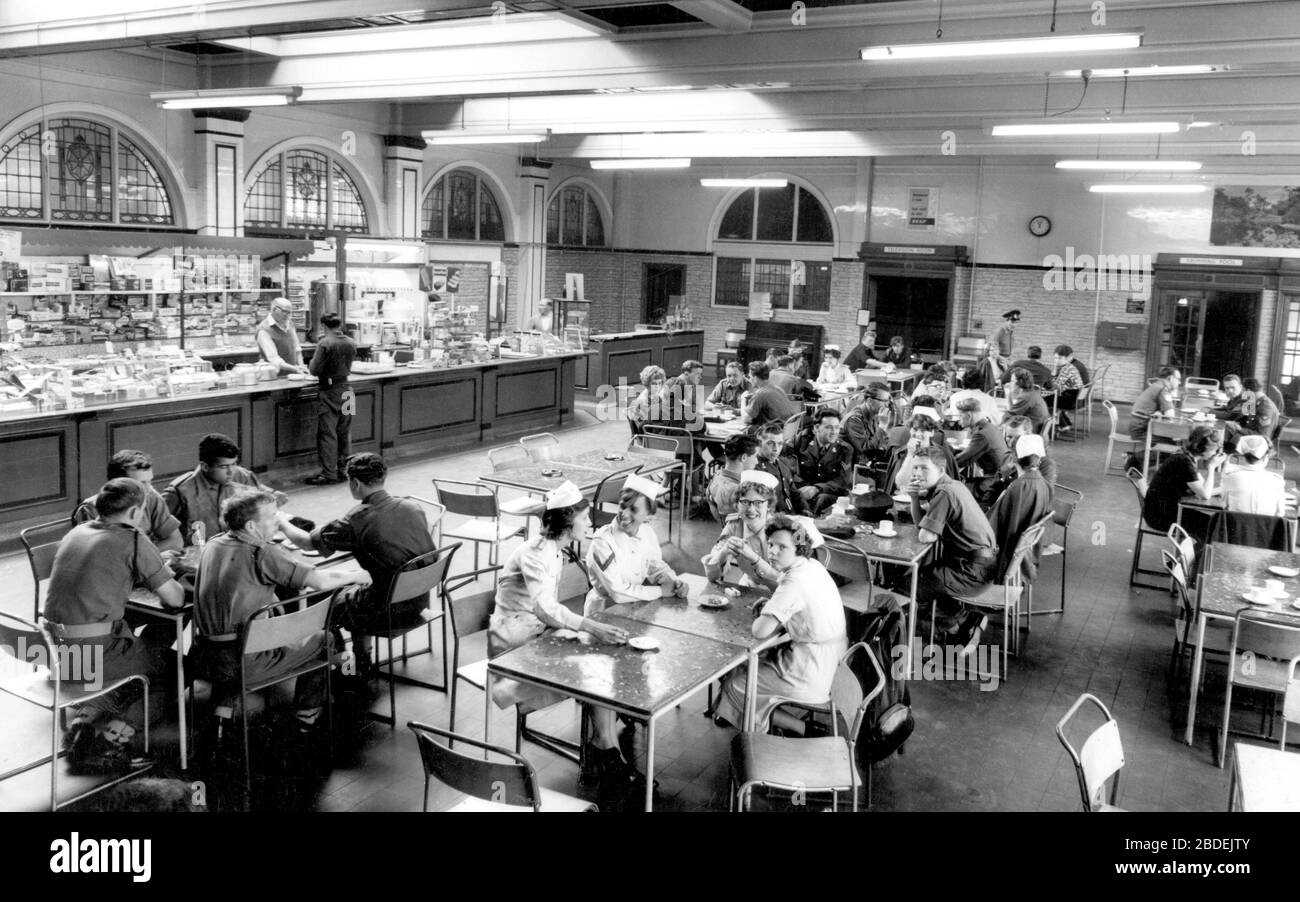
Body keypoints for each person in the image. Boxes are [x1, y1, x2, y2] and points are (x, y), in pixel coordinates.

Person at [487, 482, 637, 794]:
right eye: (585, 519)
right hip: (513, 639)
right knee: (592, 661)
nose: (590, 524)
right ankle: (605, 749)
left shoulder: (556, 549)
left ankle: (605, 746)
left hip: (537, 631)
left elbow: (547, 613)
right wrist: (589, 626)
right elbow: (545, 608)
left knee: (602, 657)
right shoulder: (534, 553)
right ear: (568, 523)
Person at [190, 489, 371, 729]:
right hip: (243, 662)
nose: (278, 520)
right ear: (252, 526)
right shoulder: (262, 552)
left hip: (203, 656)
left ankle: (222, 713)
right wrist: (357, 574)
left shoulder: (214, 543)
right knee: (324, 639)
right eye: (273, 517)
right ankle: (307, 715)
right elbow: (319, 581)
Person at [275, 453, 437, 674]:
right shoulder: (411, 507)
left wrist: (280, 521)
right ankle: (362, 660)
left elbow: (305, 543)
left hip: (386, 611)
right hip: (418, 602)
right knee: (358, 591)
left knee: (319, 602)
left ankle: (345, 669)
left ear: (355, 483)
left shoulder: (356, 520)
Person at [45, 478, 186, 724]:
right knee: (182, 665)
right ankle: (121, 738)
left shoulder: (77, 532)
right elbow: (175, 599)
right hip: (95, 656)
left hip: (53, 652)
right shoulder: (132, 539)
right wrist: (164, 571)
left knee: (151, 643)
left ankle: (93, 712)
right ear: (134, 512)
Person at [711, 515, 848, 733]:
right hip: (835, 660)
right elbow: (798, 603)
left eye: (782, 547)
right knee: (745, 668)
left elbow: (759, 630)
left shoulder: (795, 580)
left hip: (811, 670)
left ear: (799, 548)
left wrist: (769, 611)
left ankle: (803, 729)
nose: (773, 551)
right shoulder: (811, 566)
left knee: (736, 686)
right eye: (772, 544)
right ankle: (739, 713)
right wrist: (775, 605)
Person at [907, 447, 999, 655]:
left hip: (971, 573)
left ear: (940, 469)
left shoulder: (944, 493)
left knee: (910, 585)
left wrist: (917, 502)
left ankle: (964, 620)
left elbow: (925, 536)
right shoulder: (952, 484)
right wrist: (914, 498)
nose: (917, 474)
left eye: (924, 468)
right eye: (915, 468)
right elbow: (922, 525)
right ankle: (957, 622)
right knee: (923, 574)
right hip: (981, 565)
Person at [584, 474, 687, 615]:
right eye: (622, 506)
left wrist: (674, 582)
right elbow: (617, 593)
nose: (624, 514)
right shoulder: (602, 542)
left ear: (648, 516)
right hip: (604, 611)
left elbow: (654, 566)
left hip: (635, 607)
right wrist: (661, 590)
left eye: (633, 509)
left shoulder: (646, 532)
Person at [163, 433, 266, 545]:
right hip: (199, 555)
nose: (231, 472)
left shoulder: (243, 477)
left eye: (234, 464)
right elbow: (160, 531)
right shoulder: (179, 491)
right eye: (224, 467)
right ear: (205, 467)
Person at [73, 449, 181, 552]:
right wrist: (145, 557)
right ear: (118, 485)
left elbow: (176, 541)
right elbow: (100, 558)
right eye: (142, 483)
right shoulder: (90, 509)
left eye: (150, 481)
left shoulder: (151, 497)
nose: (148, 489)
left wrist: (144, 558)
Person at [986, 434, 1053, 585]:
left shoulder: (1018, 487)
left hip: (1003, 558)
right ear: (1039, 458)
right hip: (1025, 557)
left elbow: (991, 528)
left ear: (1013, 458)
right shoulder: (1044, 484)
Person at [703, 470, 781, 588]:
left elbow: (784, 582)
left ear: (768, 506)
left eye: (758, 502)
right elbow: (711, 576)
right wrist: (723, 552)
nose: (750, 509)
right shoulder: (734, 525)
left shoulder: (781, 531)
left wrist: (754, 558)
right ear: (737, 505)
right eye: (745, 502)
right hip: (750, 585)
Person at [305, 312, 357, 486]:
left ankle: (329, 473)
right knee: (345, 431)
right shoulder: (351, 342)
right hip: (348, 390)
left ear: (324, 326)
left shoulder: (325, 343)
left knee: (328, 433)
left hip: (330, 390)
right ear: (339, 325)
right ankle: (345, 470)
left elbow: (314, 369)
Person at [1142, 425, 1225, 533]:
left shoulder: (1185, 454)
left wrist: (1221, 490)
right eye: (1214, 450)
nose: (1215, 453)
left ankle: (1196, 548)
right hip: (1160, 518)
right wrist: (1211, 467)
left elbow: (1201, 488)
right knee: (1213, 524)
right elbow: (1204, 495)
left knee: (1213, 522)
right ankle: (1195, 549)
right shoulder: (1185, 463)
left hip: (1159, 511)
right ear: (1203, 448)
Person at [791, 408, 853, 515]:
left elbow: (842, 481)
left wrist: (817, 488)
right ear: (816, 428)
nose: (834, 432)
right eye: (828, 427)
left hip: (828, 493)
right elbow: (786, 463)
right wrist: (800, 488)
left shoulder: (844, 449)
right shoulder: (802, 440)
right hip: (803, 491)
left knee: (822, 499)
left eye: (837, 427)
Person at [884, 408, 958, 493]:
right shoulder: (899, 453)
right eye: (915, 429)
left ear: (932, 432)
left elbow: (948, 487)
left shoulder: (944, 454)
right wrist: (910, 455)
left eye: (923, 430)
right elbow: (897, 485)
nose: (918, 434)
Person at [1126, 366, 1181, 471]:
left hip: (1138, 425)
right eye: (1178, 379)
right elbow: (1170, 416)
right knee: (1172, 447)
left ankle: (1135, 459)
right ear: (1170, 378)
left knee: (1171, 444)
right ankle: (1133, 459)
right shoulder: (1163, 390)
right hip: (1141, 428)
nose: (1179, 383)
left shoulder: (1157, 385)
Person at [1221, 434, 1288, 517]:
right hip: (1266, 528)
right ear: (1266, 458)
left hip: (1237, 527)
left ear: (1244, 456)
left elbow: (1225, 506)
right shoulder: (1277, 481)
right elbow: (1280, 514)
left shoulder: (1230, 476)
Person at [752, 421, 803, 514]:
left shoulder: (782, 462)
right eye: (770, 443)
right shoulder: (756, 471)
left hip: (792, 514)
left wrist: (806, 512)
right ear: (759, 443)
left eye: (780, 444)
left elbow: (795, 494)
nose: (776, 449)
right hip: (777, 521)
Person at [954, 396, 1012, 476]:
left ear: (969, 416)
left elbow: (961, 460)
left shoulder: (981, 434)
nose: (958, 419)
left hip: (995, 479)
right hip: (1002, 473)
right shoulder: (989, 426)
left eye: (960, 416)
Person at [707, 433, 760, 520]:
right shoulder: (736, 491)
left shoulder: (716, 476)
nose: (757, 461)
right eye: (755, 456)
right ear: (744, 457)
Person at [256, 297, 309, 377]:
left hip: (293, 375)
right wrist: (295, 369)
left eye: (289, 312)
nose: (288, 315)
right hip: (274, 377)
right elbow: (274, 360)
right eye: (285, 312)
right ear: (274, 309)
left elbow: (297, 348)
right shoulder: (264, 330)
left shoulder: (289, 323)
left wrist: (301, 366)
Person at [1000, 415, 1058, 486]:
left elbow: (1043, 494)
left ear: (1029, 436)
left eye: (1018, 437)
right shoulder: (1006, 457)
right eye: (1009, 437)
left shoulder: (1046, 464)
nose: (1012, 442)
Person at [742, 361, 800, 426]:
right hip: (787, 431)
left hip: (773, 433)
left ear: (755, 378)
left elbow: (746, 419)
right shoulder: (778, 389)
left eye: (750, 377)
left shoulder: (759, 394)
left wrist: (743, 399)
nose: (749, 380)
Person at [839, 395, 892, 464]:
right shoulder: (854, 419)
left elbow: (880, 442)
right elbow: (866, 449)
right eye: (883, 401)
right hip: (852, 465)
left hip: (864, 462)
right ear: (870, 401)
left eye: (887, 402)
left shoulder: (873, 417)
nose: (886, 406)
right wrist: (882, 426)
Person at [662, 359, 706, 432]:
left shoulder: (691, 387)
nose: (700, 377)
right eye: (697, 374)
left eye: (701, 374)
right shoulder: (677, 384)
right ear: (686, 373)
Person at [1006, 367, 1051, 434]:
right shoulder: (1033, 392)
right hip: (1036, 428)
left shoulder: (1025, 397)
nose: (1009, 383)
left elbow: (1011, 418)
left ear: (1020, 382)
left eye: (1012, 381)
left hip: (1030, 432)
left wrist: (1008, 394)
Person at [1052, 345, 1086, 432]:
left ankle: (1062, 425)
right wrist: (1055, 368)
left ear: (1067, 358)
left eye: (1059, 358)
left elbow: (1055, 386)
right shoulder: (1069, 366)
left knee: (1046, 400)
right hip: (1075, 398)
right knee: (1052, 398)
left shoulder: (1066, 369)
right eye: (1055, 358)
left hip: (1071, 400)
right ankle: (1066, 423)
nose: (1056, 360)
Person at [627, 364, 667, 433]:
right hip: (648, 433)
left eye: (660, 383)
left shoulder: (656, 395)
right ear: (647, 384)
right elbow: (649, 422)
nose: (658, 386)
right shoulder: (643, 400)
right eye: (654, 383)